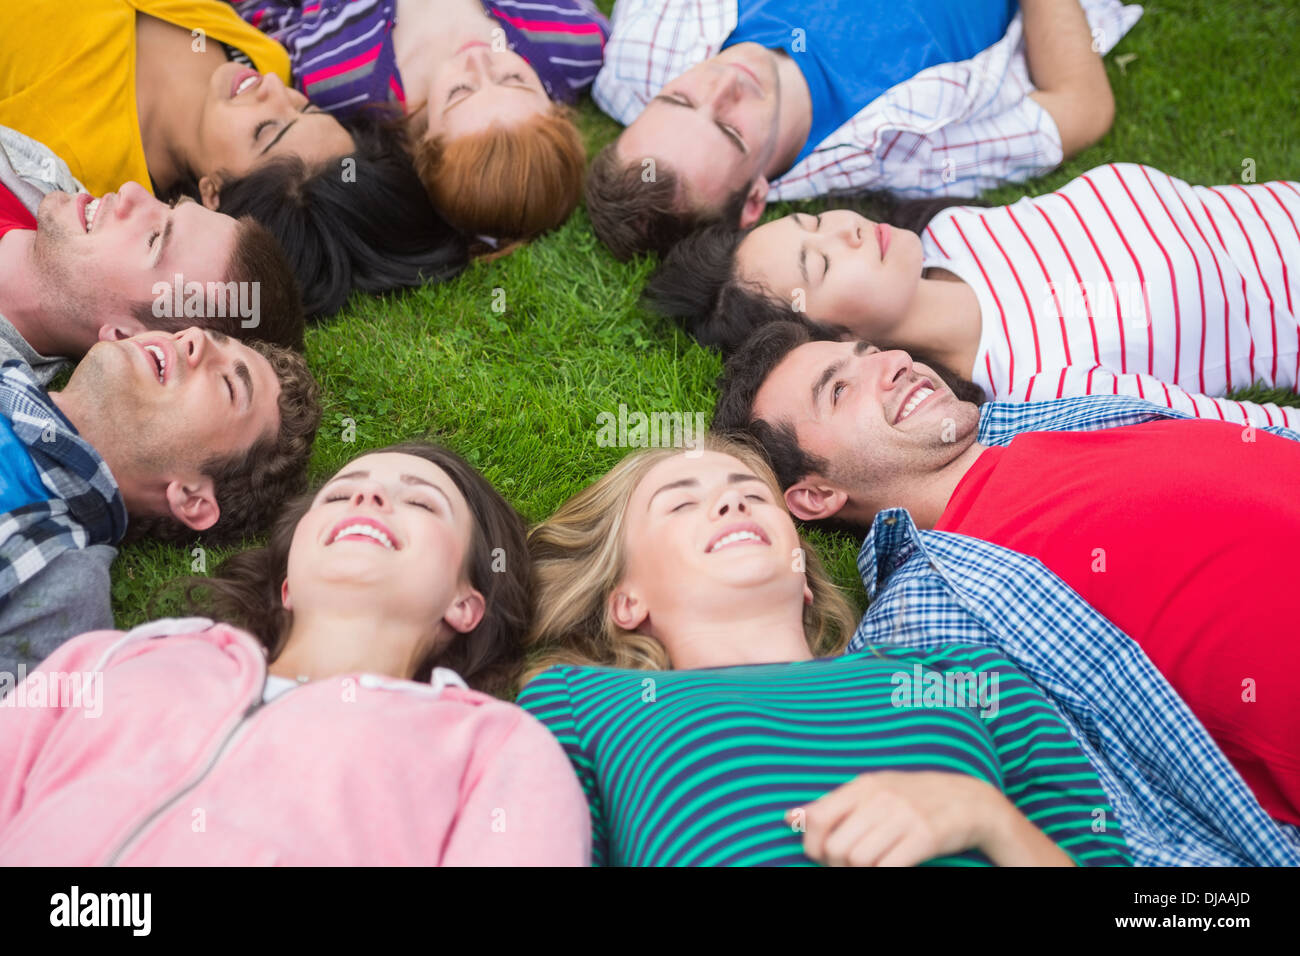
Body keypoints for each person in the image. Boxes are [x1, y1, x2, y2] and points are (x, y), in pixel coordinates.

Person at [712, 323, 1300, 831]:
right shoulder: (923, 623)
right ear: (816, 495)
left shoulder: (1068, 411)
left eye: (870, 351)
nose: (891, 364)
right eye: (839, 390)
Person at [517, 435, 1132, 866]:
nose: (731, 502)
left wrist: (988, 817)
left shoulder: (966, 674)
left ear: (804, 577)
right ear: (626, 600)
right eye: (681, 503)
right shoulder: (582, 705)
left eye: (753, 495)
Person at [0, 443, 590, 866]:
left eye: (422, 504)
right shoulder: (114, 660)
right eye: (339, 493)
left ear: (467, 600)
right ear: (288, 582)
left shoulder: (495, 752)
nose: (366, 493)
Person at [649, 162, 1300, 427]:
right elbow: (1232, 430)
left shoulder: (957, 227)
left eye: (816, 220)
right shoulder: (1032, 384)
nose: (845, 229)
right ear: (839, 342)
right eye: (818, 265)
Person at [584, 0, 1141, 259]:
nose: (723, 86)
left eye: (678, 97)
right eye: (730, 131)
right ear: (755, 199)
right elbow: (1082, 106)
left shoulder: (647, 45)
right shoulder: (908, 151)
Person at [0, 327, 320, 668]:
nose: (194, 336)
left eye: (229, 385)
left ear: (192, 498)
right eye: (212, 335)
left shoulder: (58, 588)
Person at [234, 0, 610, 241]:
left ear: (423, 142)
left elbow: (257, 14)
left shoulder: (342, 76)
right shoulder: (575, 42)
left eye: (460, 91)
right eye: (514, 79)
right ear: (556, 103)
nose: (478, 60)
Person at [0, 127, 305, 371]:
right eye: (168, 205)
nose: (131, 191)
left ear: (125, 337)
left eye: (153, 239)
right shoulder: (36, 173)